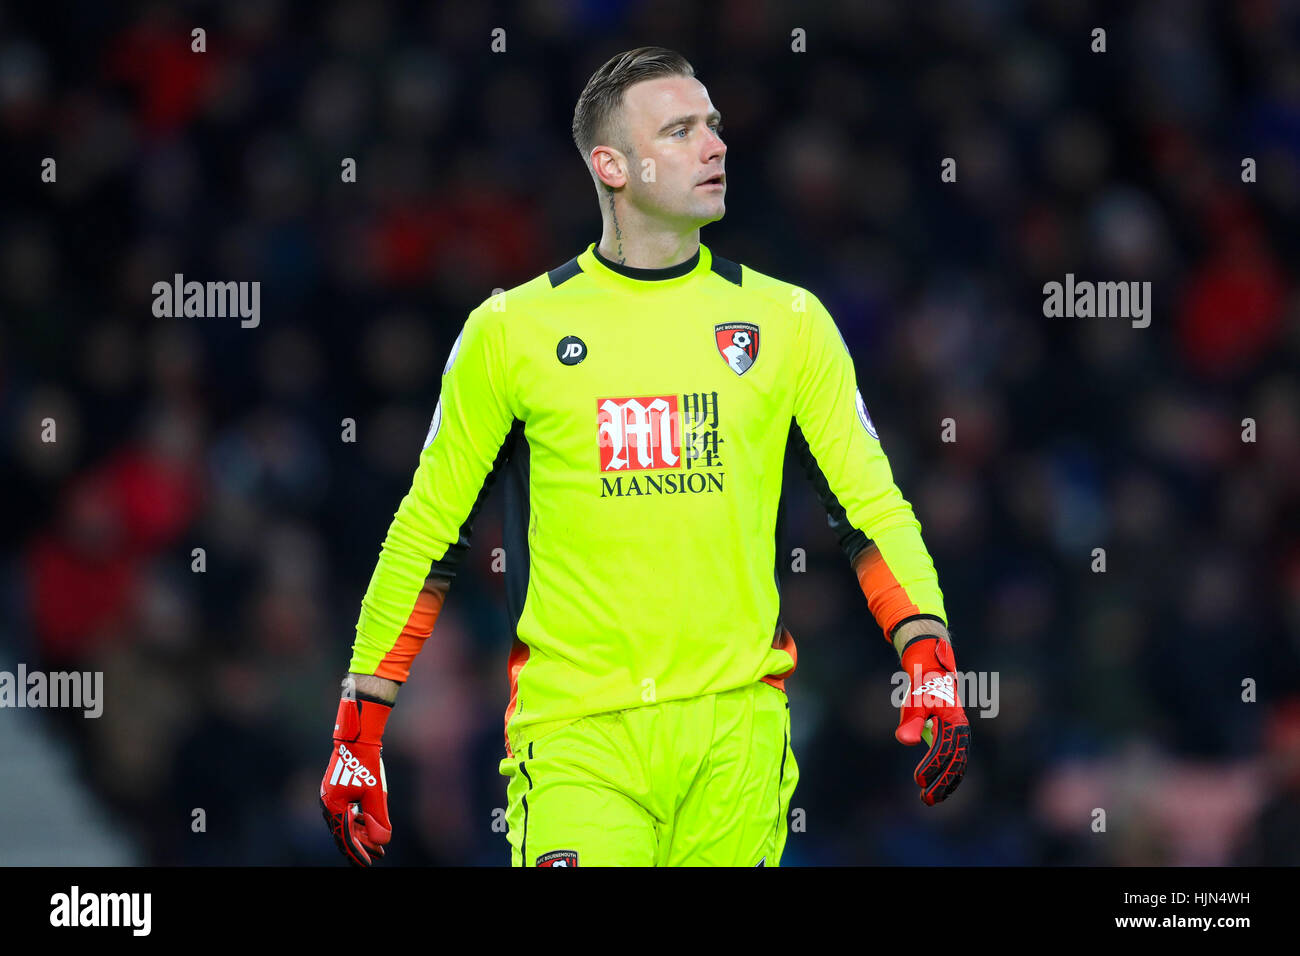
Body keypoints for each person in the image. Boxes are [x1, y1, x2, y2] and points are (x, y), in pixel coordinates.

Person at [320, 46, 970, 868]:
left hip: (736, 735)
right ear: (612, 165)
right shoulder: (509, 331)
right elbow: (427, 535)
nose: (715, 145)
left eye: (714, 126)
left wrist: (930, 653)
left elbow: (871, 510)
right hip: (575, 742)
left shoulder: (789, 321)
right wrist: (360, 723)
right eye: (681, 129)